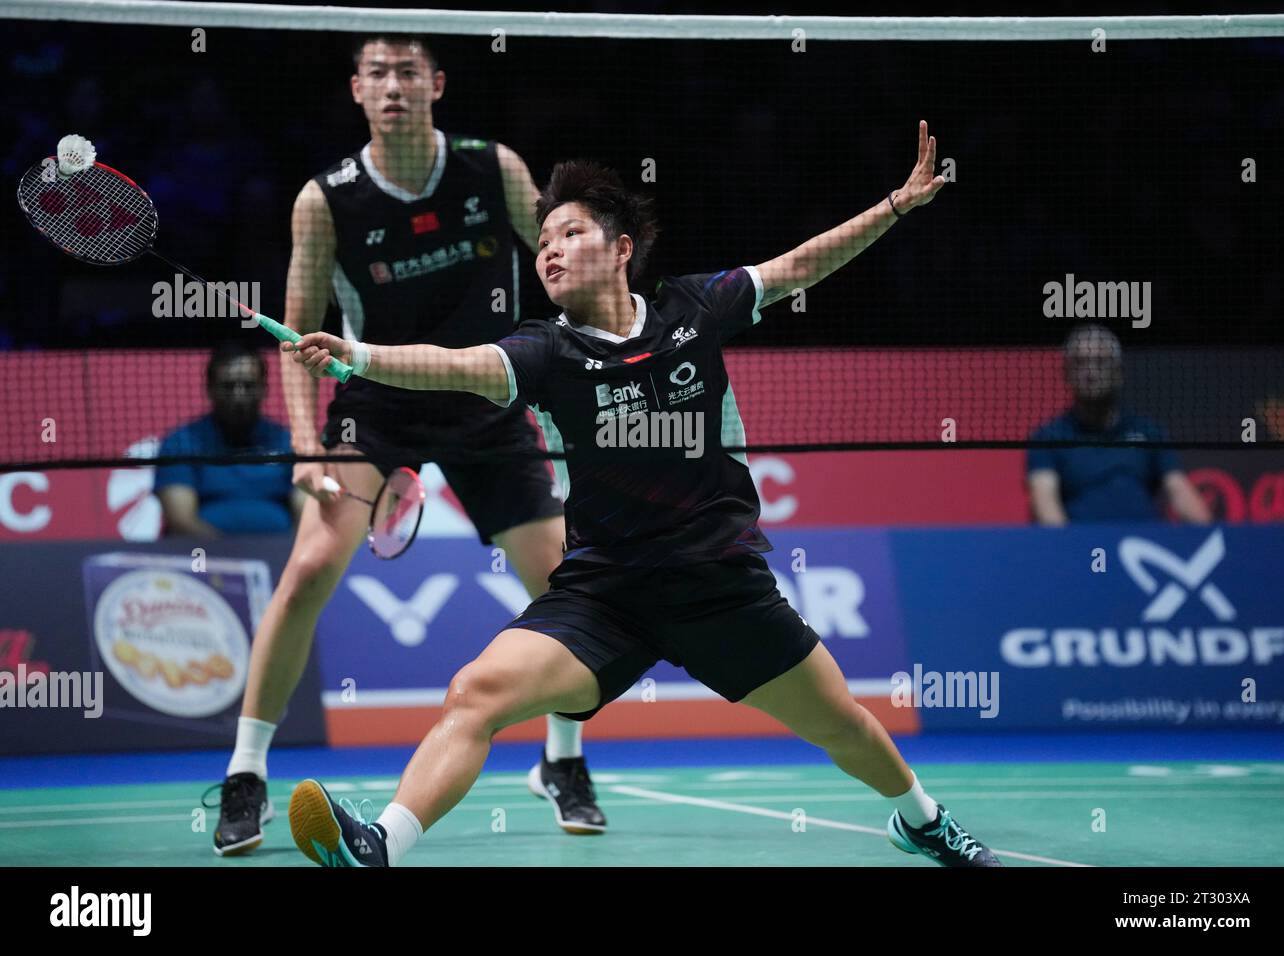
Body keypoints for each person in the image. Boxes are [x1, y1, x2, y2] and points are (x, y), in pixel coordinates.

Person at [283, 123, 1003, 867]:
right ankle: (379, 847)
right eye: (544, 241)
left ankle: (922, 821)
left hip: (720, 586)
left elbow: (797, 269)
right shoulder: (545, 352)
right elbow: (454, 364)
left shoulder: (695, 311)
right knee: (475, 693)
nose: (552, 250)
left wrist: (894, 206)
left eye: (572, 233)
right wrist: (358, 356)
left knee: (844, 726)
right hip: (606, 594)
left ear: (622, 248)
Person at [209, 35, 603, 857]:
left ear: (437, 85)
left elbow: (556, 260)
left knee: (571, 581)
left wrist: (592, 344)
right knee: (313, 564)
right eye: (378, 74)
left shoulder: (490, 168)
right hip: (378, 401)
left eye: (409, 73)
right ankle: (246, 772)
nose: (394, 86)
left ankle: (562, 760)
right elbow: (300, 329)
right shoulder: (326, 200)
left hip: (484, 392)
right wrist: (310, 448)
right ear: (356, 90)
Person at [1027, 324, 1211, 525]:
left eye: (1100, 362)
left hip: (1143, 546)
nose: (1090, 373)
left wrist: (1212, 536)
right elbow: (1045, 502)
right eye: (1080, 363)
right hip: (1085, 548)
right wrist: (1070, 549)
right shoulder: (1049, 437)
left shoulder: (1148, 432)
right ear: (1067, 374)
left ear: (1119, 372)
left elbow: (1178, 489)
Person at [155, 341, 301, 536]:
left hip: (281, 558)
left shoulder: (290, 442)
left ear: (264, 389)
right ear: (210, 389)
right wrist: (234, 557)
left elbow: (306, 515)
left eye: (248, 386)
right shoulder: (181, 442)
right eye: (228, 386)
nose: (239, 395)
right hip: (206, 558)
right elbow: (181, 521)